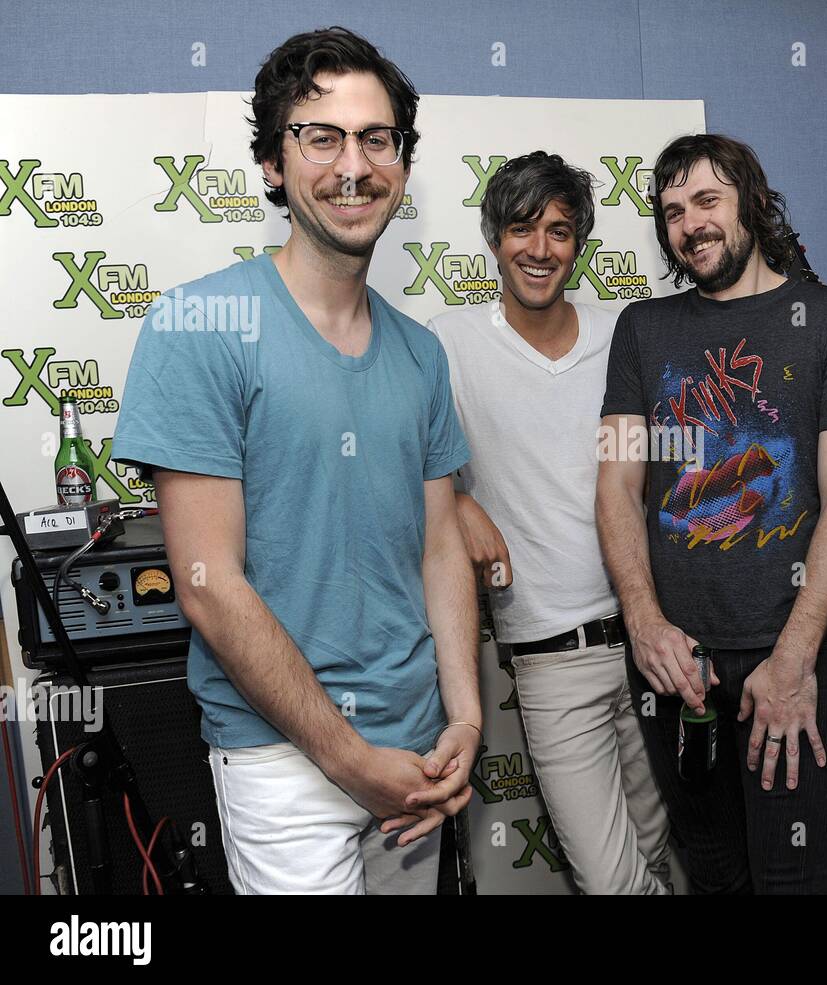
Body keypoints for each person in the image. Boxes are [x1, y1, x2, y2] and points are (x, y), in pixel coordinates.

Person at [112, 27, 479, 894]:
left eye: (376, 138)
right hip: (284, 761)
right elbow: (207, 583)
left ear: (401, 161)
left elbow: (438, 548)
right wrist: (349, 757)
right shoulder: (196, 328)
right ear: (275, 164)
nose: (352, 165)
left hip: (419, 754)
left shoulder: (422, 354)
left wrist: (464, 716)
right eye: (322, 137)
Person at [596, 133, 827, 893]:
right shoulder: (642, 329)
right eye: (671, 211)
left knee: (793, 878)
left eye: (706, 201)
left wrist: (792, 661)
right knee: (714, 872)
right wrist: (645, 623)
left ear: (750, 204)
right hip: (676, 669)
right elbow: (617, 486)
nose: (689, 223)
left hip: (785, 660)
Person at [429, 151, 671, 894]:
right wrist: (457, 502)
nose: (540, 249)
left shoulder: (624, 334)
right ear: (494, 237)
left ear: (581, 244)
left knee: (668, 855)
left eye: (560, 231)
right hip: (549, 658)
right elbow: (388, 454)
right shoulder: (448, 342)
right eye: (521, 228)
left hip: (654, 644)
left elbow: (650, 475)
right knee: (612, 880)